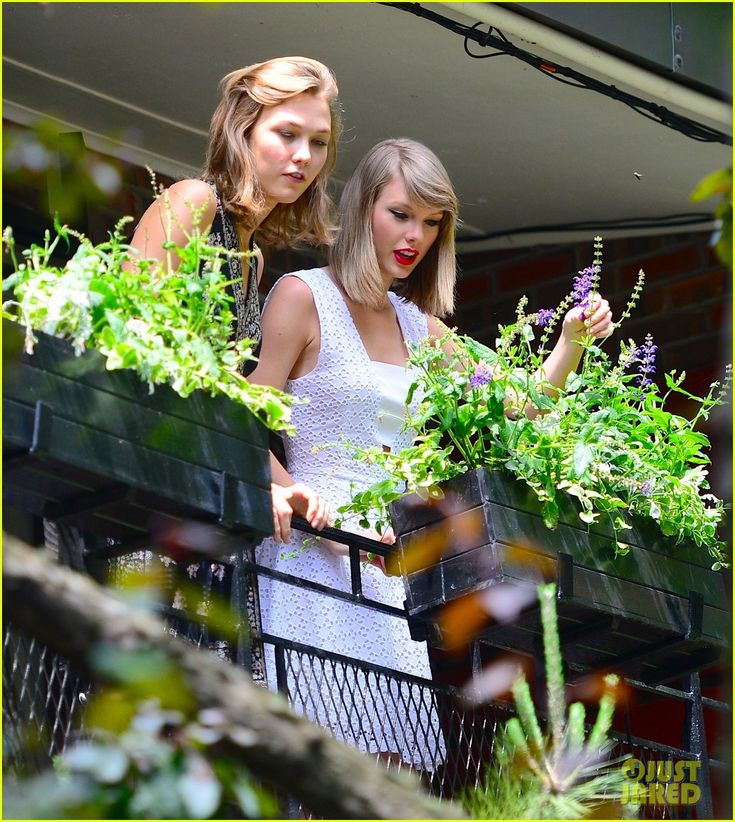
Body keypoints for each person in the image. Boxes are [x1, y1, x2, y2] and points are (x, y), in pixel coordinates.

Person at [249, 137, 614, 767]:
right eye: (400, 213)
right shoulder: (302, 296)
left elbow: (520, 409)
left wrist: (571, 344)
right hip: (312, 553)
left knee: (389, 775)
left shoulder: (418, 326)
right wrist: (283, 486)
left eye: (430, 221)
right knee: (312, 761)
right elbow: (244, 414)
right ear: (364, 207)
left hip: (387, 574)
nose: (414, 235)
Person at [126, 56, 339, 675]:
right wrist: (257, 476)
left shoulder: (249, 258)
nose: (303, 156)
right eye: (286, 134)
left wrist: (285, 482)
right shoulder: (191, 204)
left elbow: (228, 398)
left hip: (197, 510)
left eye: (319, 142)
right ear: (243, 129)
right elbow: (141, 358)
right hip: (142, 495)